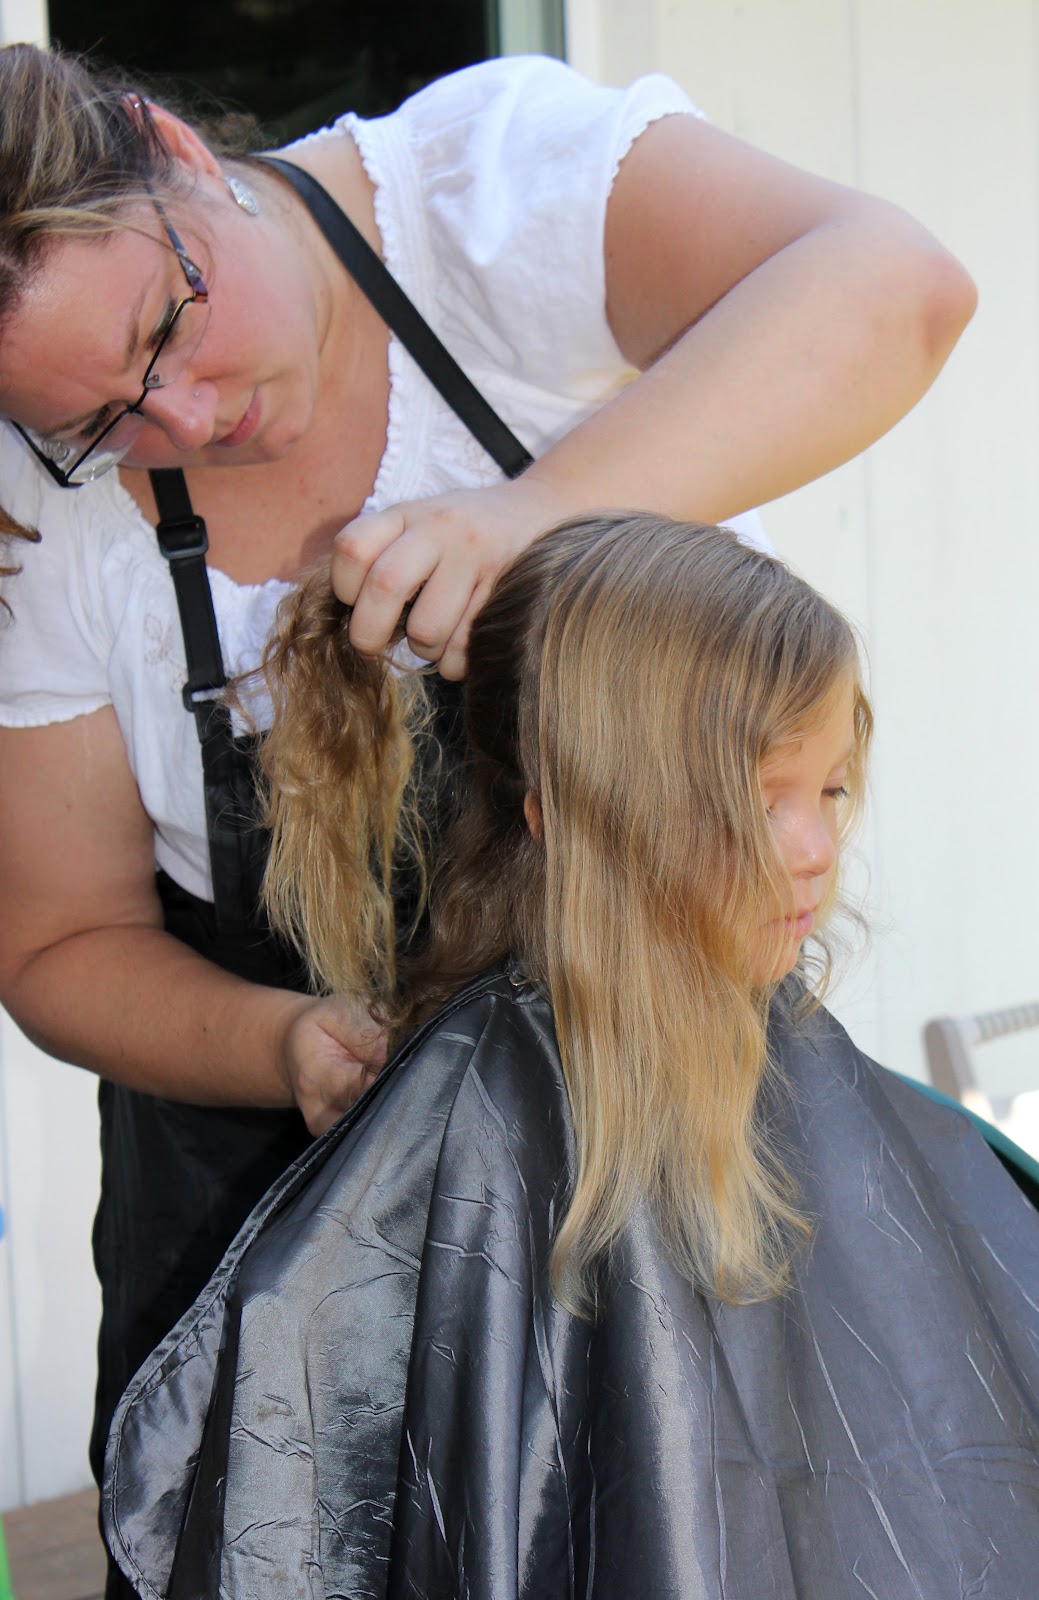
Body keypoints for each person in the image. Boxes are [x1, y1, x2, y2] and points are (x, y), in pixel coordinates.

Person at [0, 36, 975, 1562]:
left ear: (173, 153)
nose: (181, 422)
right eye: (98, 420)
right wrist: (283, 1046)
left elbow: (899, 288)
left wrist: (539, 515)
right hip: (267, 1235)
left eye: (164, 328)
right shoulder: (49, 522)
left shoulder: (482, 190)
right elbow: (59, 944)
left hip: (652, 1145)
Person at [103, 514, 1039, 1599]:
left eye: (829, 790)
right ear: (568, 814)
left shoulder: (809, 1071)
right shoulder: (491, 1117)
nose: (820, 850)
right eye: (761, 798)